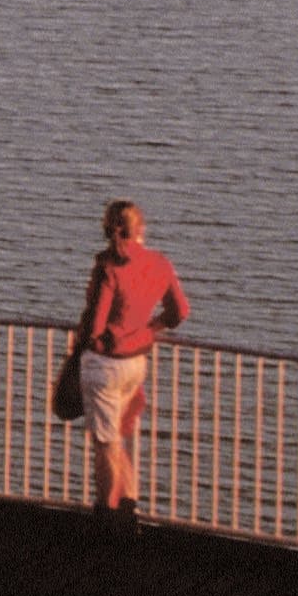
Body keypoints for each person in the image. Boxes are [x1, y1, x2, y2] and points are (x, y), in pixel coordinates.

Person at [73, 198, 190, 519]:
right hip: (136, 363)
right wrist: (150, 329)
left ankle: (107, 514)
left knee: (105, 444)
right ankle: (129, 504)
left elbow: (96, 327)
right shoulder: (159, 264)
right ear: (141, 228)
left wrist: (82, 347)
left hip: (104, 364)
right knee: (116, 439)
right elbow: (179, 311)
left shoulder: (109, 268)